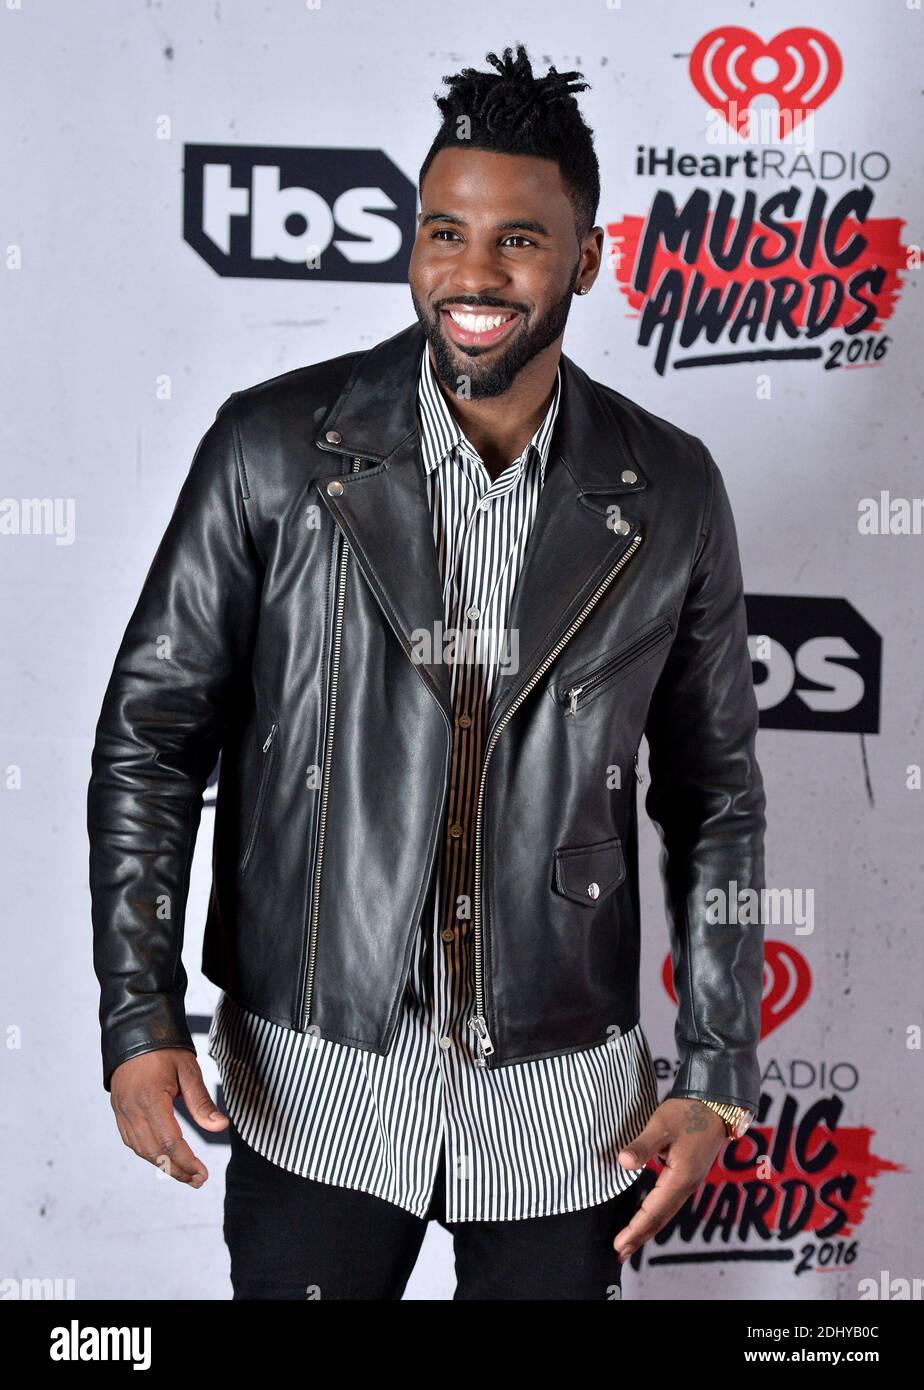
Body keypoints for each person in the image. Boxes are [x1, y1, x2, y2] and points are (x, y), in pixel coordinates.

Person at [88, 43, 765, 1300]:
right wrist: (138, 1014)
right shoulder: (273, 449)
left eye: (517, 240)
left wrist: (719, 1068)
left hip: (564, 1109)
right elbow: (152, 733)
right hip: (316, 1085)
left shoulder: (668, 491)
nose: (472, 274)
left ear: (587, 258)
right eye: (443, 232)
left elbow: (715, 791)